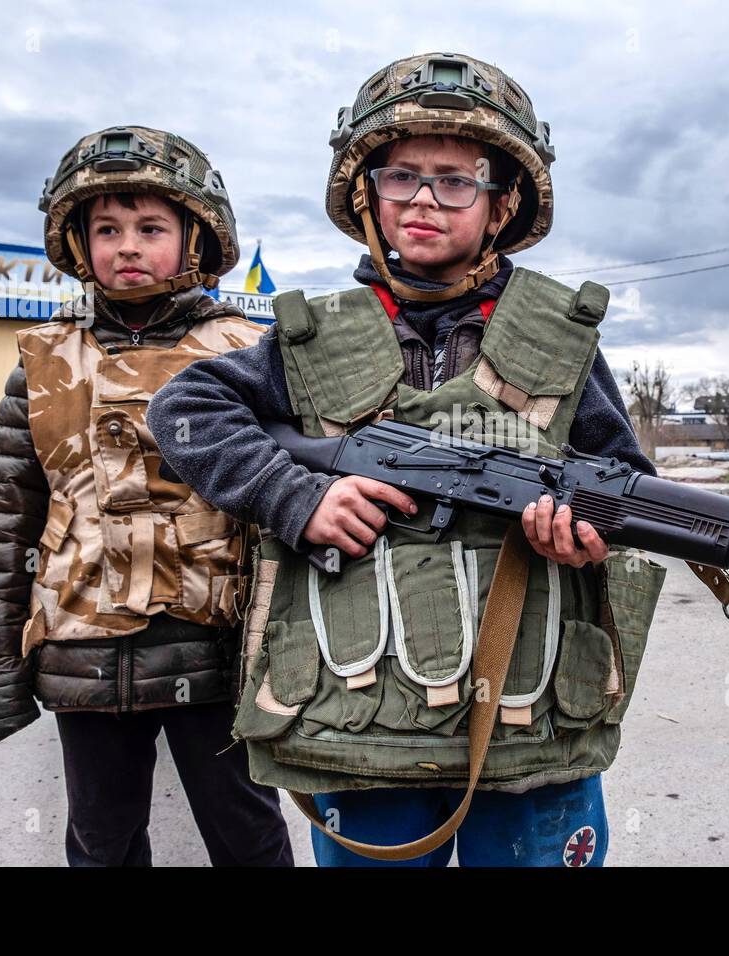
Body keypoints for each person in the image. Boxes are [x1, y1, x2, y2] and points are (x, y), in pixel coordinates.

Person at [148, 55, 666, 867]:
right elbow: (183, 410)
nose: (425, 199)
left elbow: (623, 485)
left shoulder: (561, 338)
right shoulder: (310, 338)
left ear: (501, 204)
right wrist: (295, 496)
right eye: (401, 177)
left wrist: (587, 536)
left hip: (529, 726)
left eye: (456, 180)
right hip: (359, 729)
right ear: (367, 196)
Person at [0, 126, 293, 867]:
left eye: (150, 228)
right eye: (106, 229)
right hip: (83, 659)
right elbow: (1, 524)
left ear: (196, 237)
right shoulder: (43, 364)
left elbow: (292, 501)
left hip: (217, 655)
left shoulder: (250, 353)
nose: (126, 246)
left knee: (249, 839)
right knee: (101, 844)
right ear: (79, 243)